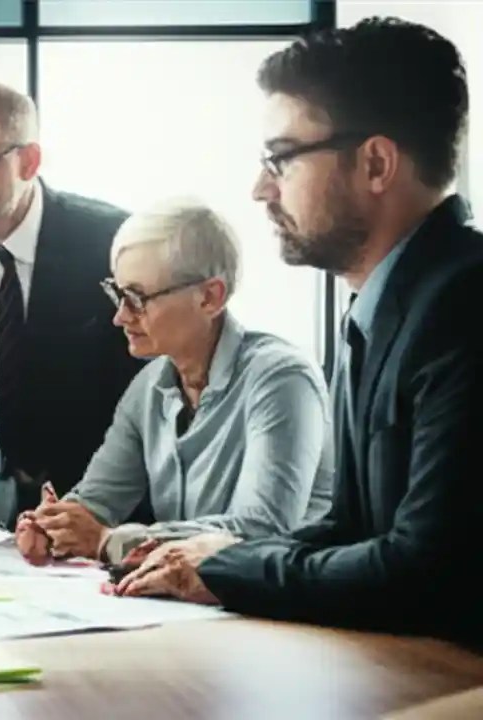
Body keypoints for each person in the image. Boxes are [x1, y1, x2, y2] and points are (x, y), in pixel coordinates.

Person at [114, 18, 483, 647]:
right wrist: (210, 556)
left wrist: (228, 566)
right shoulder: (375, 311)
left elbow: (423, 570)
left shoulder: (464, 305)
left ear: (375, 163)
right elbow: (350, 527)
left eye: (280, 158)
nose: (260, 188)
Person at [13, 198, 332, 566]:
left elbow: (261, 529)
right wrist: (51, 526)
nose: (119, 317)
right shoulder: (148, 386)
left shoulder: (282, 380)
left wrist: (109, 541)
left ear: (210, 297)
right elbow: (96, 503)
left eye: (136, 298)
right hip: (199, 602)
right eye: (116, 293)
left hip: (289, 610)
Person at [0, 82, 144, 530]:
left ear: (29, 160)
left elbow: (143, 381)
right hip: (12, 507)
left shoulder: (109, 238)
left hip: (111, 504)